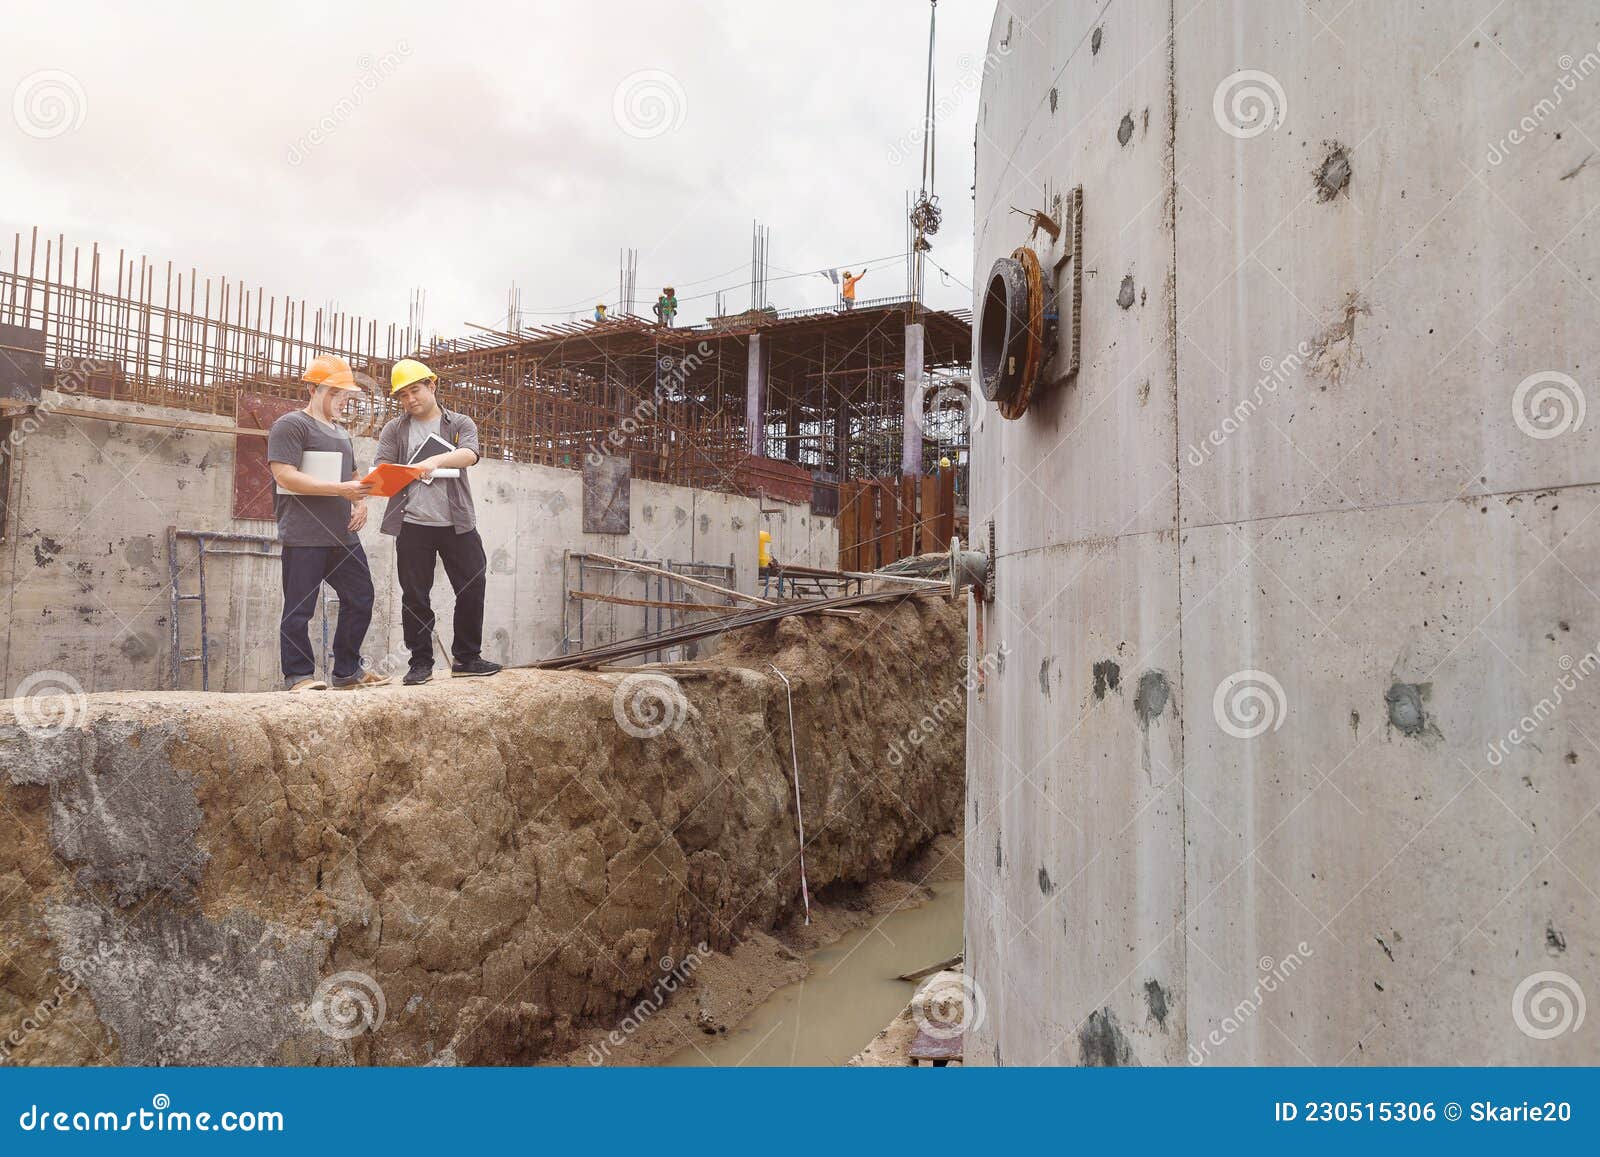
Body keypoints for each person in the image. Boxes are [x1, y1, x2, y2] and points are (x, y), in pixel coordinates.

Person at [375, 358, 502, 685]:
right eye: (402, 395)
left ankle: (467, 657)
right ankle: (420, 663)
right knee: (415, 595)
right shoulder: (395, 429)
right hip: (412, 524)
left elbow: (470, 454)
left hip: (456, 523)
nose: (410, 399)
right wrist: (409, 471)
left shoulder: (459, 423)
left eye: (415, 391)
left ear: (432, 386)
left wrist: (434, 460)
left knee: (473, 584)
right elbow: (382, 470)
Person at [267, 355, 383, 691]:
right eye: (335, 392)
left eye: (346, 393)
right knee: (300, 609)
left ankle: (347, 671)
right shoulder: (291, 425)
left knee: (361, 597)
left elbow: (353, 476)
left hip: (342, 535)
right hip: (305, 534)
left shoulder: (341, 433)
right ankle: (299, 676)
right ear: (313, 389)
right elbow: (285, 475)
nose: (344, 399)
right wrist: (340, 489)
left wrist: (360, 500)